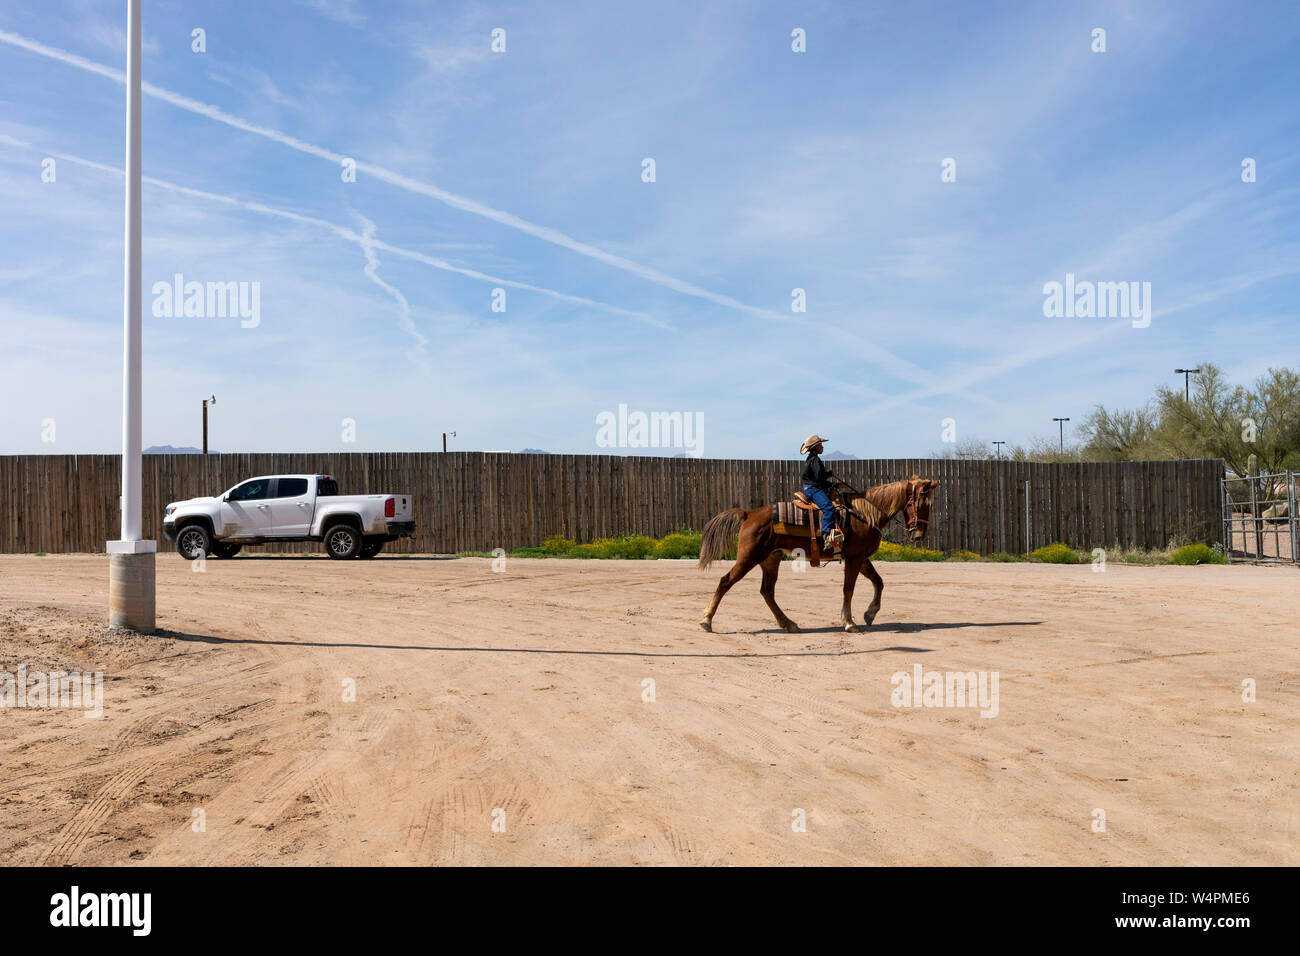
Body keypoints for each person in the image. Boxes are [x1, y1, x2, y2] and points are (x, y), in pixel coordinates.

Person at [799, 433, 840, 553]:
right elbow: (819, 479)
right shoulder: (815, 460)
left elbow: (818, 477)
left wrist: (827, 475)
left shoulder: (810, 459)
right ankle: (826, 536)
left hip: (810, 487)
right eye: (820, 445)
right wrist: (832, 483)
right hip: (813, 489)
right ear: (815, 447)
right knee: (828, 507)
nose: (822, 447)